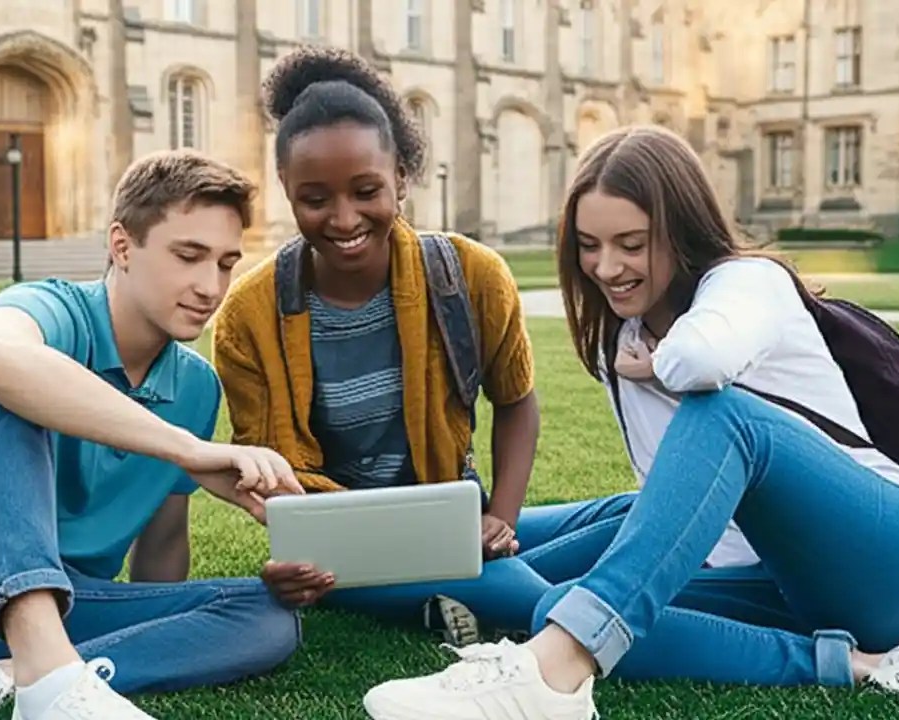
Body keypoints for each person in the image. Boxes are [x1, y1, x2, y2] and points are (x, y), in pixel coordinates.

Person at [362, 125, 899, 719]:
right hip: (780, 583)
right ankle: (878, 667)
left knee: (725, 416)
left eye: (631, 244)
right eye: (589, 246)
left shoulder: (746, 284)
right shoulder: (619, 336)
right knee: (556, 601)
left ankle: (555, 674)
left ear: (681, 232)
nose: (606, 268)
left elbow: (704, 360)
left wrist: (656, 367)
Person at [0, 150, 305, 720]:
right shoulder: (48, 308)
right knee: (9, 389)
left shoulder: (195, 389)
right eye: (188, 256)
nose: (211, 286)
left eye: (226, 263)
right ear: (122, 246)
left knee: (266, 614)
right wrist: (187, 449)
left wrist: (170, 613)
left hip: (61, 605)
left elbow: (162, 545)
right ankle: (50, 686)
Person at [211, 46, 632, 644]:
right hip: (347, 553)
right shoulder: (248, 318)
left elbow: (516, 400)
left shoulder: (470, 274)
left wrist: (501, 519)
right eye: (315, 198)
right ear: (286, 188)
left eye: (365, 190)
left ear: (401, 179)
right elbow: (272, 476)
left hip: (452, 524)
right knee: (542, 602)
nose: (344, 217)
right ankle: (494, 593)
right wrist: (295, 555)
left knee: (634, 515)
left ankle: (463, 586)